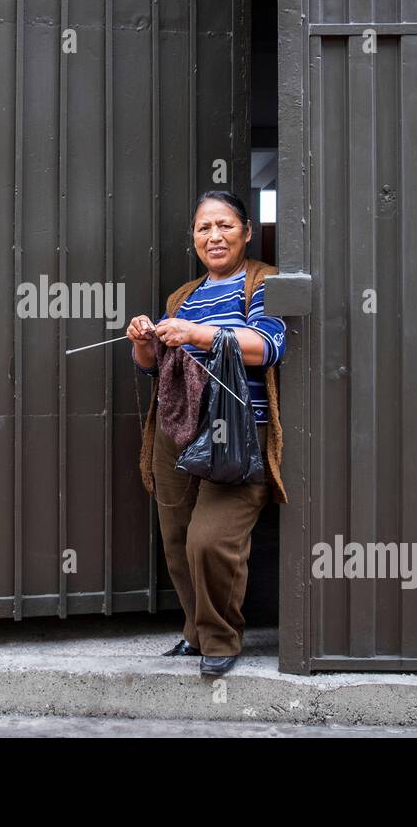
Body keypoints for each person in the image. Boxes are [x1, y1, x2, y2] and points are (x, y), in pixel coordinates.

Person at [127, 190, 288, 679]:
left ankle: (220, 638)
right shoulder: (184, 296)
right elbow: (156, 371)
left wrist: (198, 335)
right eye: (203, 228)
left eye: (224, 225)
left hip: (237, 433)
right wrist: (144, 343)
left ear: (246, 231)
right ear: (194, 237)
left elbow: (267, 346)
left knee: (209, 540)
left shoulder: (263, 282)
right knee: (176, 540)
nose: (213, 236)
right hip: (179, 430)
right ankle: (196, 635)